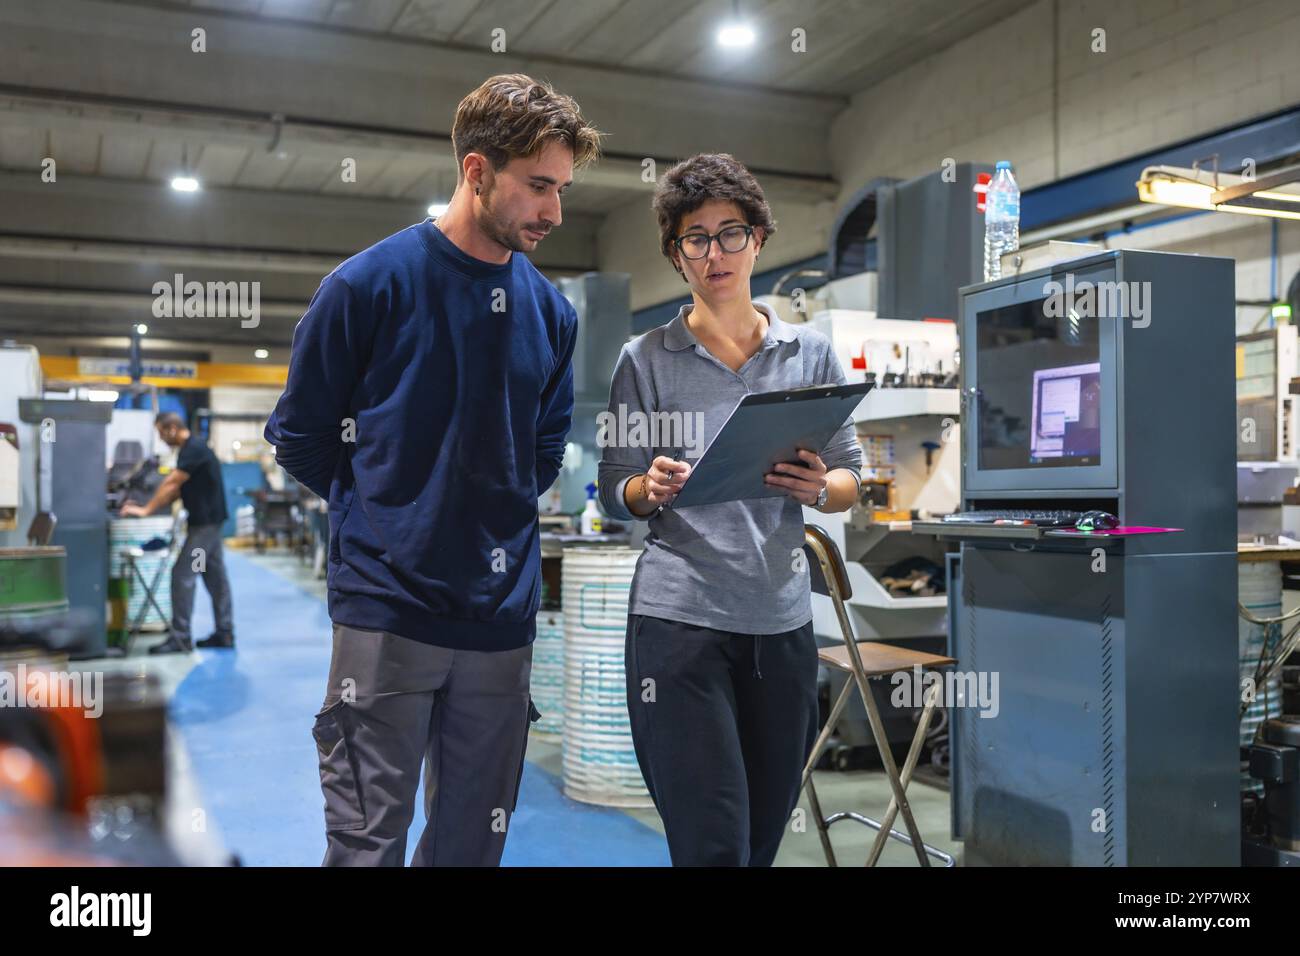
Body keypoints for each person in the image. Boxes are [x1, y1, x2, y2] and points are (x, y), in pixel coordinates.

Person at [264, 74, 602, 867]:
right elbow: (303, 436)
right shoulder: (365, 288)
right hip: (386, 616)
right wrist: (387, 519)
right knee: (365, 843)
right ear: (477, 171)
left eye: (563, 190)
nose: (554, 212)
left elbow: (543, 450)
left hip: (499, 626)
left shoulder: (551, 314)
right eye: (539, 186)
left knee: (469, 848)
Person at [597, 153, 863, 866]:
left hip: (780, 624)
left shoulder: (809, 354)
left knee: (759, 842)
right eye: (695, 238)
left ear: (760, 240)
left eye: (731, 233)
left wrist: (820, 488)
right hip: (679, 627)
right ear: (676, 254)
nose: (715, 253)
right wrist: (644, 489)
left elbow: (852, 478)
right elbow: (613, 487)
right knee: (712, 843)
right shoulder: (645, 359)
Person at [120, 412, 235, 653]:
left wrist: (146, 510)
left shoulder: (192, 448)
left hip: (204, 528)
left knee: (184, 575)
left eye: (162, 432)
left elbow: (172, 483)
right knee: (213, 577)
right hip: (208, 526)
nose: (162, 439)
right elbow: (175, 490)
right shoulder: (191, 449)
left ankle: (180, 637)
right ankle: (224, 633)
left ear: (172, 428)